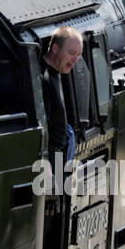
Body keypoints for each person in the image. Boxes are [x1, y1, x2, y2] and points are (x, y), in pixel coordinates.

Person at [41, 25, 82, 165]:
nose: (75, 59)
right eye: (71, 52)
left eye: (78, 54)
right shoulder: (44, 79)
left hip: (62, 152)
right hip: (53, 157)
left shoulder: (57, 70)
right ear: (55, 48)